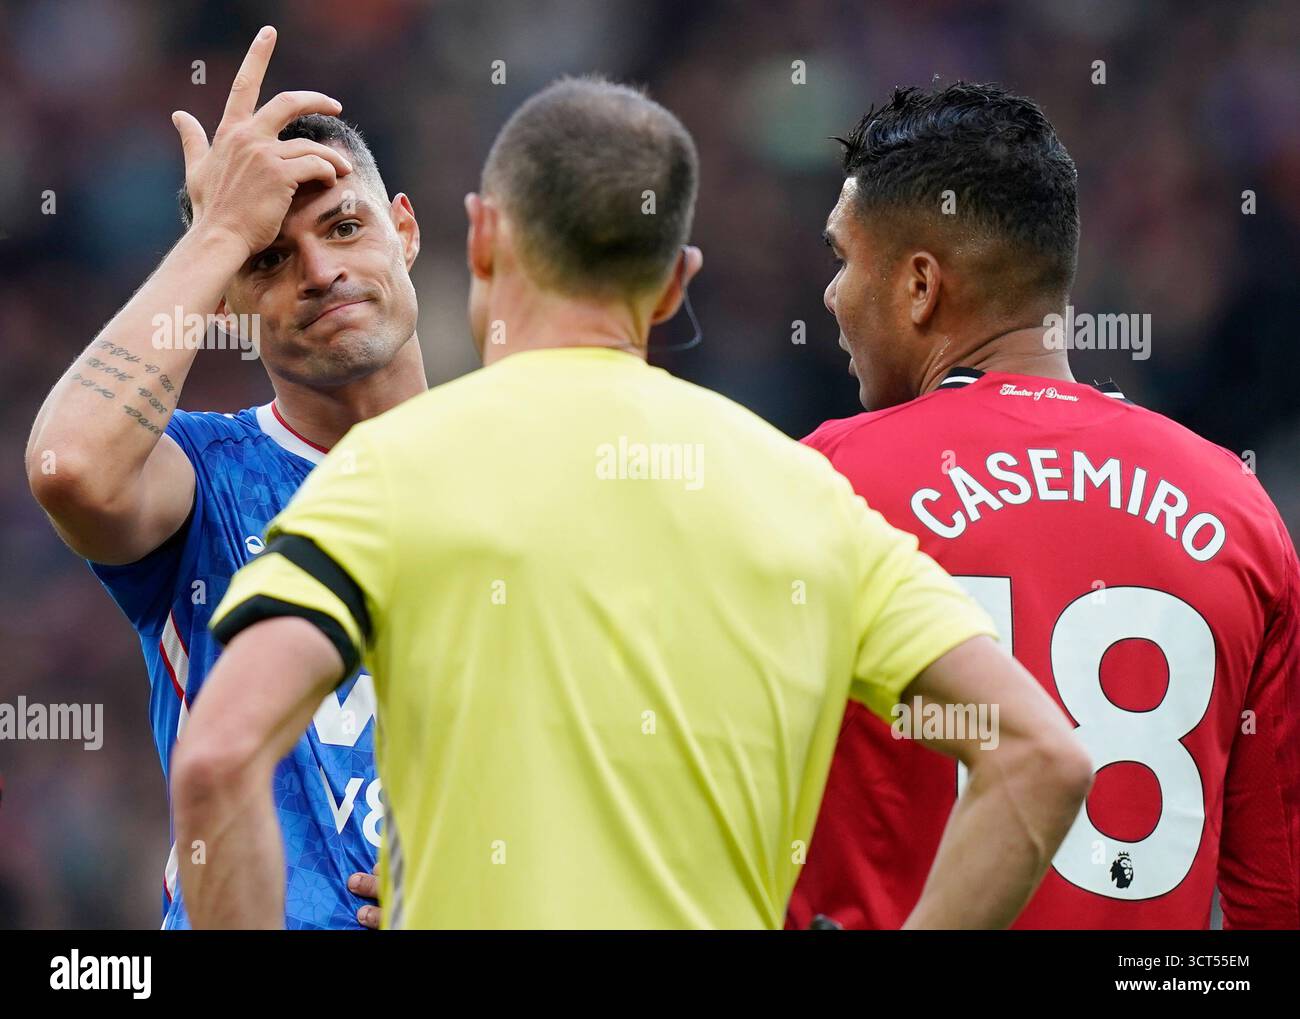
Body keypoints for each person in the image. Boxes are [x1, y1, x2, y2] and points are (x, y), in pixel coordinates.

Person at [172, 76, 1091, 930]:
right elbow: (1041, 755)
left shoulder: (391, 471)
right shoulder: (805, 494)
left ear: (481, 237)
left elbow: (219, 757)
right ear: (676, 282)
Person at [789, 82, 1300, 929]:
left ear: (920, 286)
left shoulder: (829, 486)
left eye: (844, 257)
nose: (832, 297)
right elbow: (1276, 900)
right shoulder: (1237, 508)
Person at [25, 26, 425, 929]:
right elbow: (69, 467)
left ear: (404, 227)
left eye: (345, 226)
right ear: (232, 304)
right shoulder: (203, 477)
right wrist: (217, 235)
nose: (321, 272)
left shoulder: (515, 470)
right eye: (269, 260)